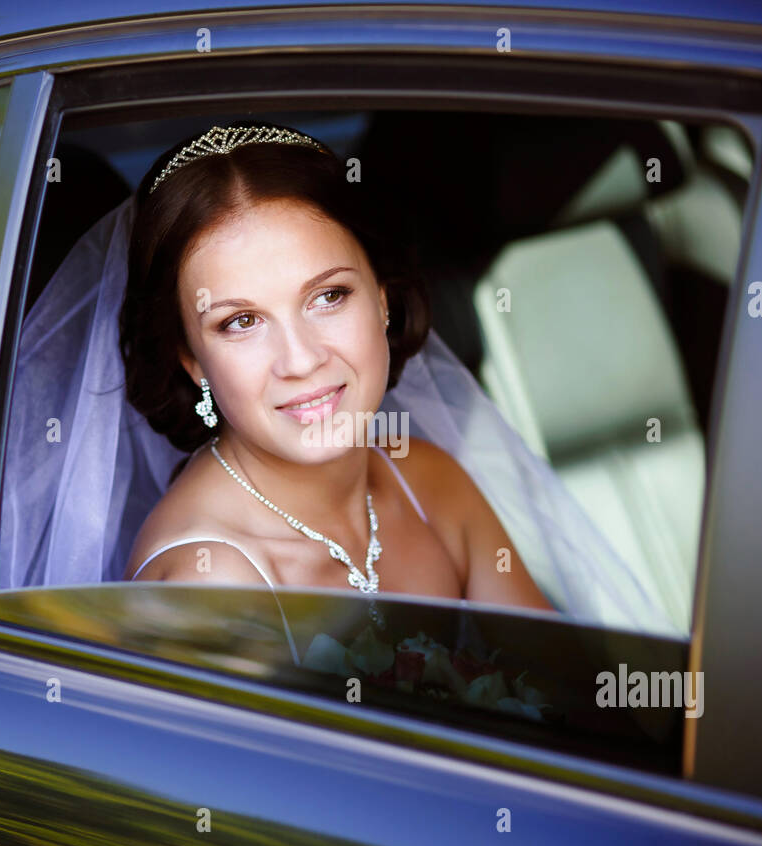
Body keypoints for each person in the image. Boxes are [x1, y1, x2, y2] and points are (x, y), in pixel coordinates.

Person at [119, 124, 552, 611]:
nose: (302, 359)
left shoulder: (429, 483)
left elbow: (552, 683)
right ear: (193, 361)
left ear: (382, 300)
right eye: (241, 321)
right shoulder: (208, 586)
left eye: (329, 296)